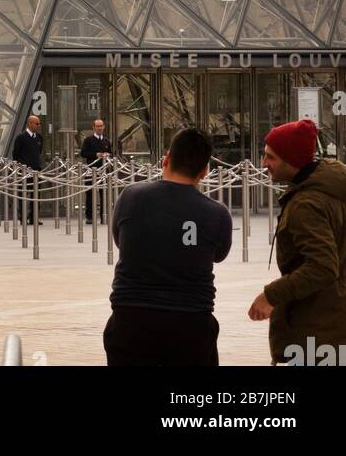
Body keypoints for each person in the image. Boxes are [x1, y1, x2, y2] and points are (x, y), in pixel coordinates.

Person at [103, 127, 232, 366]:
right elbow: (219, 255)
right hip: (191, 324)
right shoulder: (217, 214)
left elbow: (121, 241)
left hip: (130, 320)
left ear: (166, 159)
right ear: (204, 171)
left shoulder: (130, 197)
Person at [247, 118, 346, 365]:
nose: (264, 163)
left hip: (318, 329)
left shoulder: (307, 205)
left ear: (291, 160)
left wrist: (270, 296)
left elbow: (322, 266)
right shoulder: (333, 187)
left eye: (271, 157)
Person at [12, 113, 43, 222]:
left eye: (39, 123)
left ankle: (34, 217)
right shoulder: (21, 137)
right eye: (37, 123)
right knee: (23, 194)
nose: (38, 125)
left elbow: (39, 152)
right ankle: (23, 216)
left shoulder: (39, 137)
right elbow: (15, 154)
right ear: (30, 123)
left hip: (36, 171)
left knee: (36, 194)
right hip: (24, 171)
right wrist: (22, 166)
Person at [80, 118, 112, 222]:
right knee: (90, 193)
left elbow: (111, 153)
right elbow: (83, 153)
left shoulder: (107, 141)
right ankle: (90, 217)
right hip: (91, 170)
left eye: (101, 126)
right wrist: (95, 154)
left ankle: (104, 216)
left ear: (104, 127)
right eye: (97, 126)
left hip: (104, 171)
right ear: (93, 128)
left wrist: (107, 155)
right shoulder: (88, 140)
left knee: (104, 194)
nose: (99, 128)